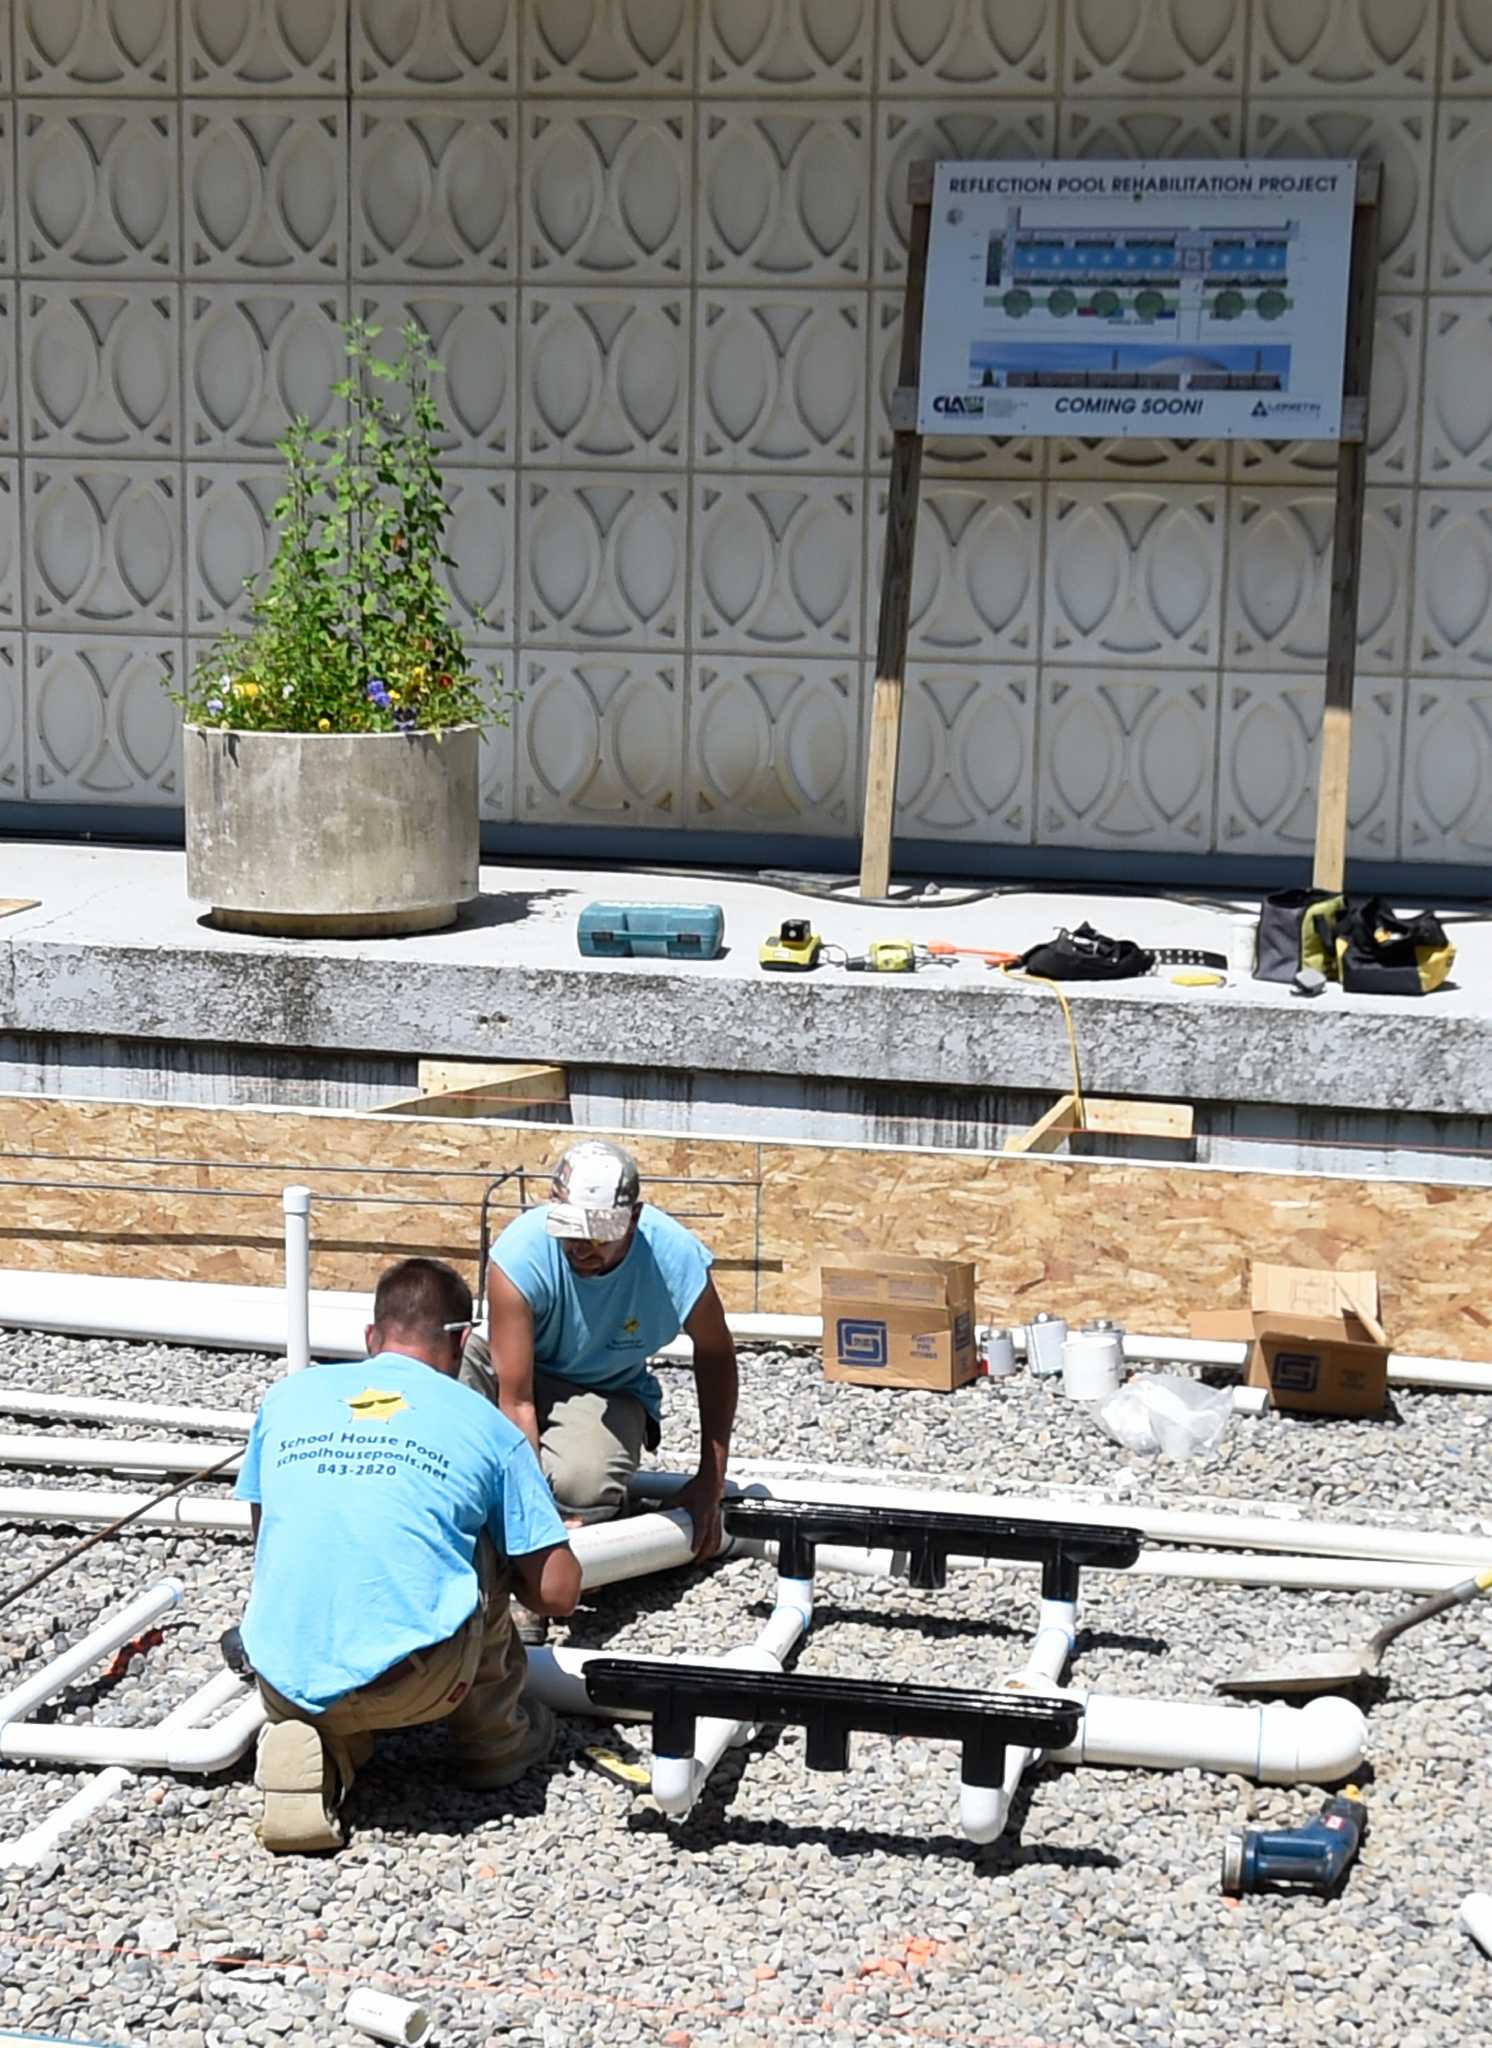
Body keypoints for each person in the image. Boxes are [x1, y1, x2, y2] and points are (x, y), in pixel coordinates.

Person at [234, 1256, 580, 1854]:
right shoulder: (486, 1425)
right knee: (488, 1541)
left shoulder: (286, 1399)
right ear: (462, 1342)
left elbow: (267, 1541)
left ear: (372, 1336)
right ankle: (494, 1740)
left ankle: (320, 1737)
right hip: (421, 1684)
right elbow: (558, 1592)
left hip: (281, 1671)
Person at [461, 1140, 738, 1628]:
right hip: (515, 1375)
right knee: (455, 1376)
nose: (582, 1248)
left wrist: (710, 1481)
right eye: (572, 1232)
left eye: (600, 1236)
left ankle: (584, 1525)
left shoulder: (673, 1259)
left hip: (603, 1390)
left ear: (635, 1219)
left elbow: (716, 1355)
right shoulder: (521, 1255)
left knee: (582, 1482)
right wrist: (537, 1519)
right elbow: (517, 1400)